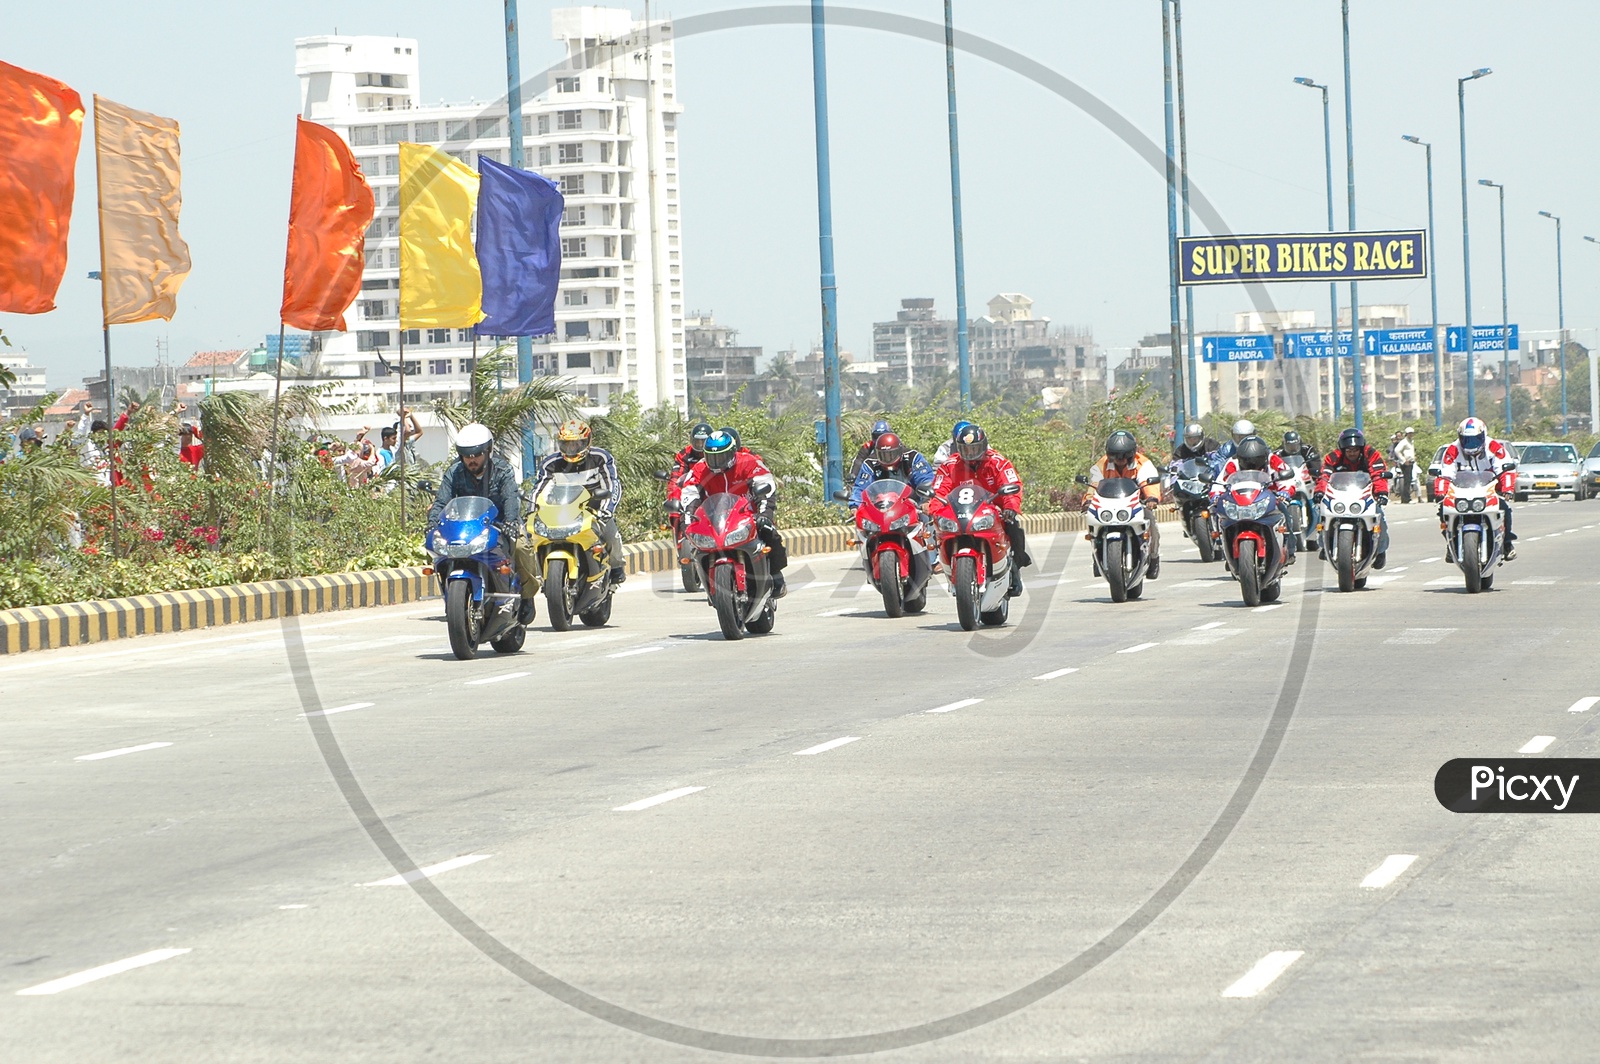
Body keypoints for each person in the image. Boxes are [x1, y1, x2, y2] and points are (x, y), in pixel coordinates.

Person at [429, 423, 537, 620]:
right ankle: (452, 598)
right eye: (467, 455)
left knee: (521, 547)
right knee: (438, 551)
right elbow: (441, 501)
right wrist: (432, 522)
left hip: (500, 524)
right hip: (466, 529)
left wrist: (512, 521)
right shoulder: (454, 472)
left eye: (476, 455)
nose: (471, 460)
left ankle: (526, 597)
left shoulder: (502, 470)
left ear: (488, 451)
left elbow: (510, 498)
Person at [678, 429, 788, 596]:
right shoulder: (699, 469)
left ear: (732, 452)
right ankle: (711, 584)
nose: (716, 462)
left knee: (769, 532)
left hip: (747, 516)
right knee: (697, 547)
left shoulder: (749, 462)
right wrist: (687, 522)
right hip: (715, 520)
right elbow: (689, 494)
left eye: (721, 457)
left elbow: (765, 484)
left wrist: (764, 514)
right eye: (711, 457)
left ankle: (776, 575)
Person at [930, 424, 1030, 596]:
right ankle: (942, 563)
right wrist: (933, 508)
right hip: (961, 513)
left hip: (992, 510)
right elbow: (939, 490)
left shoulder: (998, 462)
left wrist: (1010, 507)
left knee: (1014, 527)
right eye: (965, 450)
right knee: (935, 532)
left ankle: (1014, 568)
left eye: (974, 449)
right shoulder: (950, 466)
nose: (970, 454)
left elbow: (1011, 484)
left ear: (983, 446)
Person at [530, 419, 625, 585]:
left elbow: (612, 484)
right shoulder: (550, 464)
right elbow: (539, 489)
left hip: (594, 510)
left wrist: (607, 509)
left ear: (587, 442)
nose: (572, 449)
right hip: (561, 512)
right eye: (567, 444)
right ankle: (538, 575)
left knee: (611, 534)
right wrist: (531, 511)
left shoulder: (601, 457)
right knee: (530, 537)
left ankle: (617, 567)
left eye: (576, 444)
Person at [1435, 416, 1518, 561]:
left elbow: (1506, 470)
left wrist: (1507, 489)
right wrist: (1441, 493)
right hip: (1461, 491)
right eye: (1467, 440)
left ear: (1483, 436)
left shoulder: (1494, 447)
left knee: (1505, 508)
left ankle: (1507, 544)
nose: (1470, 444)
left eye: (1475, 439)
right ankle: (1450, 543)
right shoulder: (1452, 450)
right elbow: (1445, 474)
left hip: (1489, 489)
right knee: (1442, 510)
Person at [1089, 429, 1165, 577]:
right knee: (1093, 522)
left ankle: (1154, 558)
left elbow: (1149, 482)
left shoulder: (1143, 464)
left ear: (1132, 453)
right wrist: (1087, 500)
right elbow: (1094, 484)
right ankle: (1096, 555)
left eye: (1125, 455)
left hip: (1136, 504)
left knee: (1151, 523)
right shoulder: (1101, 464)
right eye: (1115, 455)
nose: (1120, 459)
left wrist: (1151, 498)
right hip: (1109, 505)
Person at [1314, 427, 1391, 567]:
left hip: (1366, 495)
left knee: (1379, 516)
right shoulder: (1332, 457)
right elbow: (1324, 476)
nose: (1352, 453)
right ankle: (1324, 546)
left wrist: (1382, 493)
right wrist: (1319, 492)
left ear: (1361, 449)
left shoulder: (1371, 454)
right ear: (1343, 450)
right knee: (1321, 513)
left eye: (1355, 450)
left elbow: (1379, 473)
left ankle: (1380, 551)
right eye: (1349, 451)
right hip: (1339, 496)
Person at [1214, 434, 1297, 560]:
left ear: (1264, 457)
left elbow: (1288, 479)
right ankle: (1226, 548)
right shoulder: (1232, 463)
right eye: (1246, 461)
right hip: (1241, 500)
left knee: (1286, 515)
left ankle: (1289, 550)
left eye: (1256, 460)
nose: (1252, 464)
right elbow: (1220, 482)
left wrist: (1284, 492)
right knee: (1221, 518)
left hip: (1270, 499)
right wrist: (1215, 495)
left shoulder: (1273, 460)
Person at [846, 419, 894, 485]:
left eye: (882, 436)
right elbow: (858, 461)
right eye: (876, 436)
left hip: (896, 479)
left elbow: (907, 461)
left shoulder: (897, 445)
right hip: (873, 482)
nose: (879, 439)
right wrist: (853, 474)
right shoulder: (868, 447)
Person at [1393, 427, 1417, 504]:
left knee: (1409, 480)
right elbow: (1397, 450)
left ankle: (1405, 498)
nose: (1411, 435)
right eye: (1409, 433)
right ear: (1406, 434)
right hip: (1406, 463)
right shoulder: (1404, 442)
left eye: (1412, 433)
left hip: (1411, 462)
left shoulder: (1411, 441)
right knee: (1407, 481)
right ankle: (1406, 499)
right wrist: (1403, 460)